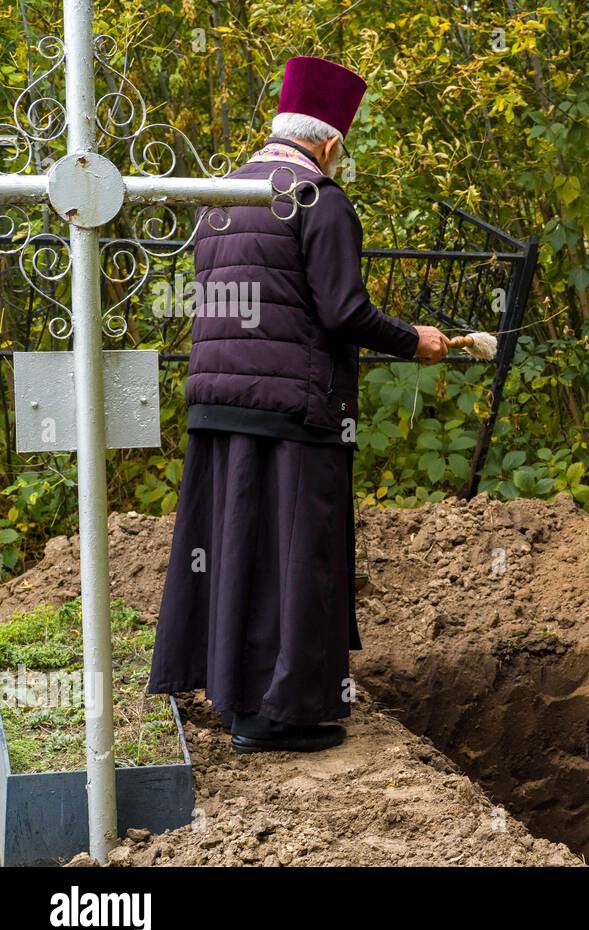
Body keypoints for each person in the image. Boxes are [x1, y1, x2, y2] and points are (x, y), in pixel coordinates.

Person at [147, 56, 449, 753]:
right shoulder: (319, 199)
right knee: (294, 560)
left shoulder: (221, 194)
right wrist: (415, 341)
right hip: (293, 410)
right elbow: (344, 313)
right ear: (331, 143)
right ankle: (282, 714)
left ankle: (237, 704)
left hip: (218, 405)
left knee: (233, 554)